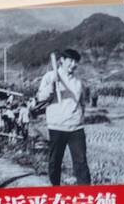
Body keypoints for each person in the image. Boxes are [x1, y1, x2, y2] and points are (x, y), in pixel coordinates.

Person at [36, 50, 90, 185]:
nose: (73, 64)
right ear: (62, 60)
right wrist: (52, 86)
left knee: (81, 162)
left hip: (76, 127)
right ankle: (55, 188)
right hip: (56, 126)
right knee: (55, 161)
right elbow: (41, 98)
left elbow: (82, 103)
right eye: (70, 61)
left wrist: (80, 116)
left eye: (76, 62)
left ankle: (87, 193)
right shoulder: (50, 77)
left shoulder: (78, 82)